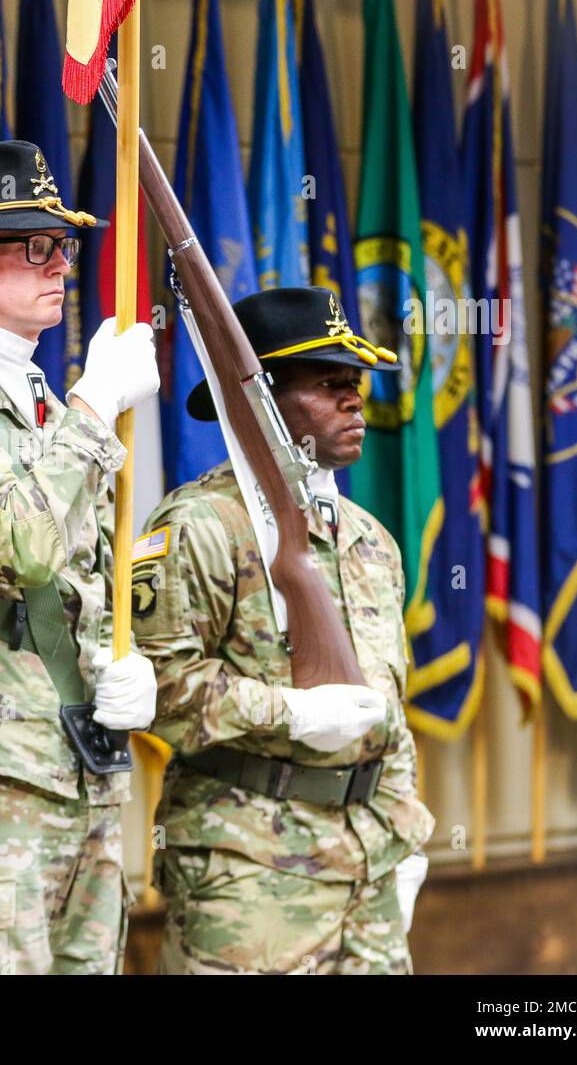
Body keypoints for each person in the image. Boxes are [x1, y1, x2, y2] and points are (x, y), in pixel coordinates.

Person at [0, 140, 161, 974]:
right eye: (32, 245)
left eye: (63, 245)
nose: (59, 265)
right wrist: (93, 403)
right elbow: (21, 548)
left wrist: (123, 665)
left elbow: (86, 576)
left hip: (79, 745)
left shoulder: (42, 394)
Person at [131, 286, 435, 975]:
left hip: (370, 859)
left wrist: (407, 832)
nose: (354, 400)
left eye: (354, 384)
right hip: (250, 868)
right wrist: (291, 713)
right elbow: (157, 686)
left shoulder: (368, 540)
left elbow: (391, 711)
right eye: (329, 384)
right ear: (258, 400)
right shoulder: (200, 527)